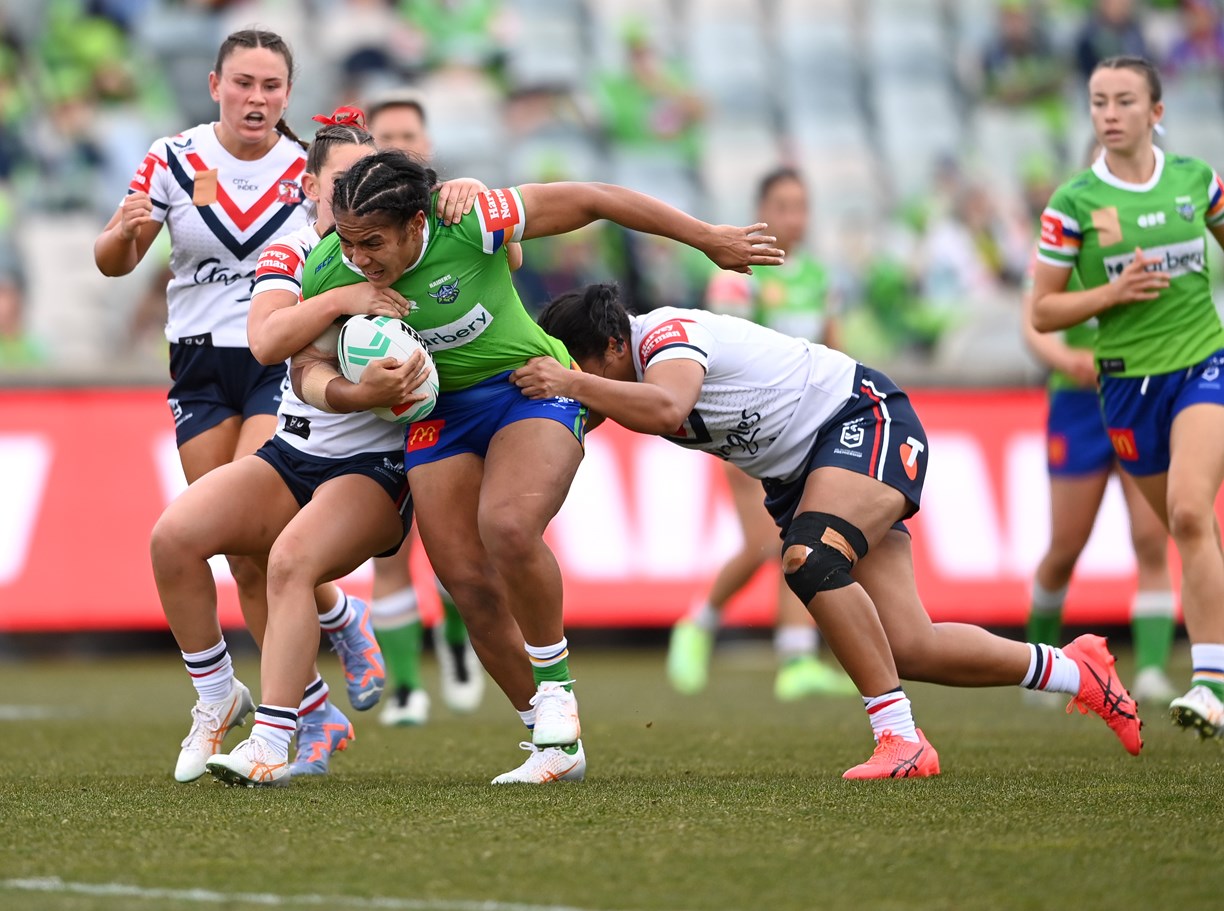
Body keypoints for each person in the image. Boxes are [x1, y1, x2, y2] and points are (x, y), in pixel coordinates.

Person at [259, 150, 782, 785]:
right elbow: (303, 365)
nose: (358, 257)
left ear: (416, 223)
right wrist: (354, 392)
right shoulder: (329, 268)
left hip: (529, 387)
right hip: (439, 415)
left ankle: (556, 687)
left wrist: (706, 238)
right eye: (347, 241)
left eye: (373, 243)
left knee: (507, 525)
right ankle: (551, 743)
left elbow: (593, 198)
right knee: (466, 584)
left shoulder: (470, 219)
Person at [515, 283, 1143, 779]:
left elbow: (669, 407)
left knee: (809, 557)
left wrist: (568, 381)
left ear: (612, 346)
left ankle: (900, 739)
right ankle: (1076, 670)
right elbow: (567, 436)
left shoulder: (665, 337)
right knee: (910, 646)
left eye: (580, 366)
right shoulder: (615, 376)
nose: (581, 387)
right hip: (806, 469)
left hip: (859, 418)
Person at [92, 30, 383, 781]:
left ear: (288, 95)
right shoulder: (172, 158)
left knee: (264, 526)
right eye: (244, 83)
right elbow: (115, 260)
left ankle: (303, 682)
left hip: (274, 357)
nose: (257, 98)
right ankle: (319, 691)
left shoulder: (310, 171)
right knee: (237, 551)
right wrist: (125, 235)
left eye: (272, 86)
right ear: (215, 84)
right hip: (196, 364)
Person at [1031, 55, 1224, 739]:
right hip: (1121, 386)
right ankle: (1041, 653)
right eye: (1098, 102)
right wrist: (1111, 293)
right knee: (1177, 530)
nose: (1109, 114)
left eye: (1124, 101)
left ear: (1156, 112)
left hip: (1203, 365)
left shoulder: (1198, 181)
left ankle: (1208, 684)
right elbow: (1043, 311)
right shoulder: (1073, 204)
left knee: (1188, 513)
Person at [669, 167, 856, 701]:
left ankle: (796, 659)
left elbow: (834, 350)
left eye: (801, 206)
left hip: (806, 426)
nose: (794, 217)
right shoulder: (738, 273)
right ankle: (698, 623)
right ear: (761, 211)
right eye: (783, 206)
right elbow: (724, 352)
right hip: (747, 425)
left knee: (801, 536)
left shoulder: (819, 277)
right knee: (762, 544)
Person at [1020, 157, 1178, 708]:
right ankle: (1039, 667)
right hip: (1078, 405)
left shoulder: (1154, 239)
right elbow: (1033, 322)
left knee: (1151, 537)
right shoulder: (1058, 238)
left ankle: (1152, 669)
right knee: (1065, 546)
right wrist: (1066, 358)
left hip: (1138, 394)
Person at [360, 91, 490, 727]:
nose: (398, 147)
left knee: (455, 546)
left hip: (454, 404)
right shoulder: (350, 229)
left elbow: (513, 252)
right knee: (389, 551)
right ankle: (407, 688)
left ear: (427, 147)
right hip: (380, 407)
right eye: (385, 138)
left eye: (408, 136)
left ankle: (460, 643)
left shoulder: (455, 211)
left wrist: (475, 189)